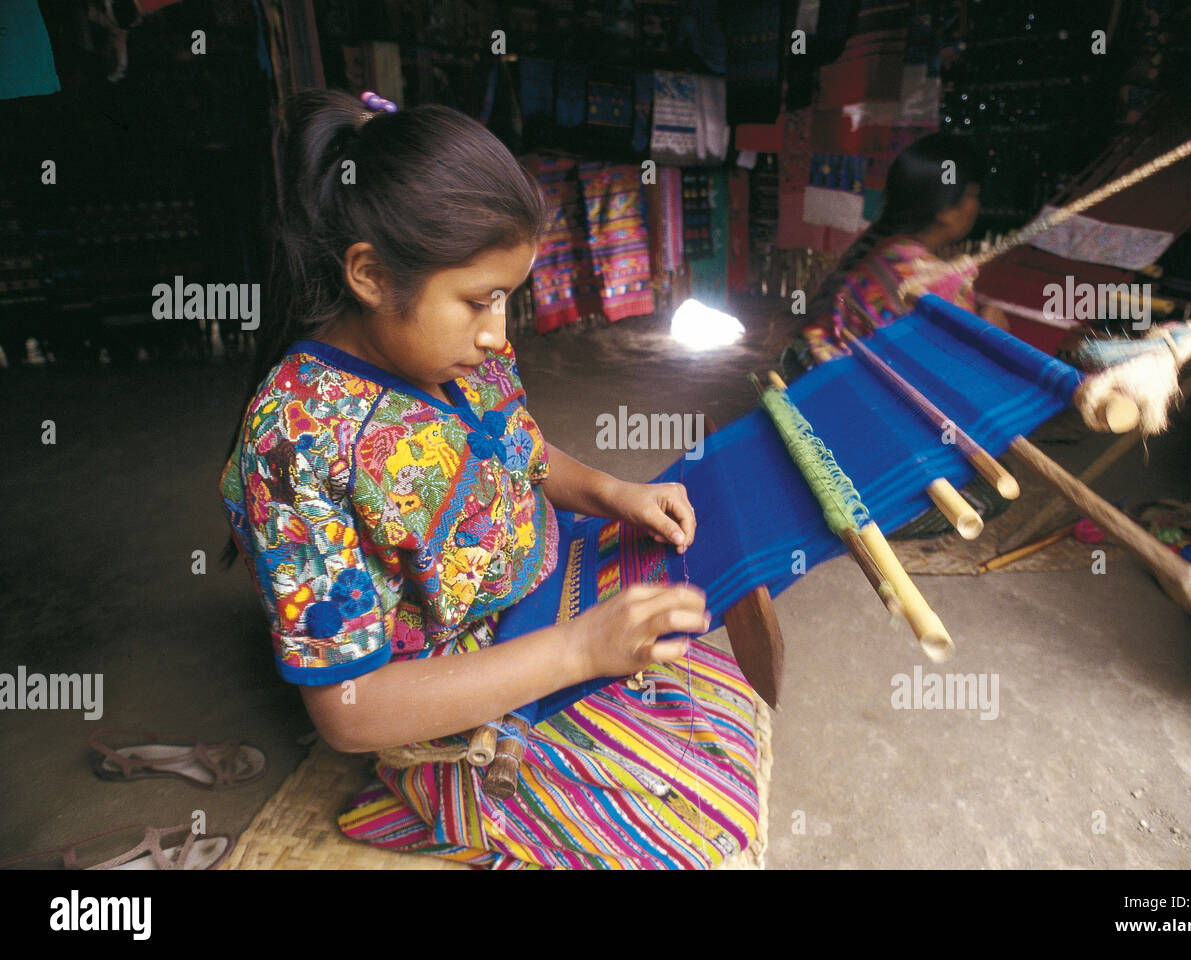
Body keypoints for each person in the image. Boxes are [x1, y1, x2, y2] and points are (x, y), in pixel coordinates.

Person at [218, 90, 760, 869]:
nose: (499, 333)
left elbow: (522, 452)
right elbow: (347, 708)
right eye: (479, 300)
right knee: (697, 838)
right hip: (457, 702)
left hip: (551, 586)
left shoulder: (462, 353)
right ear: (370, 274)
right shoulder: (296, 441)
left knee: (713, 691)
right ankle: (429, 802)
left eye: (507, 297)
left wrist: (615, 495)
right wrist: (578, 652)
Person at [780, 133, 1008, 379]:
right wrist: (990, 338)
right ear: (945, 210)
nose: (976, 205)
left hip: (816, 384)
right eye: (972, 194)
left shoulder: (884, 254)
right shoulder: (944, 284)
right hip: (854, 401)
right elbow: (954, 380)